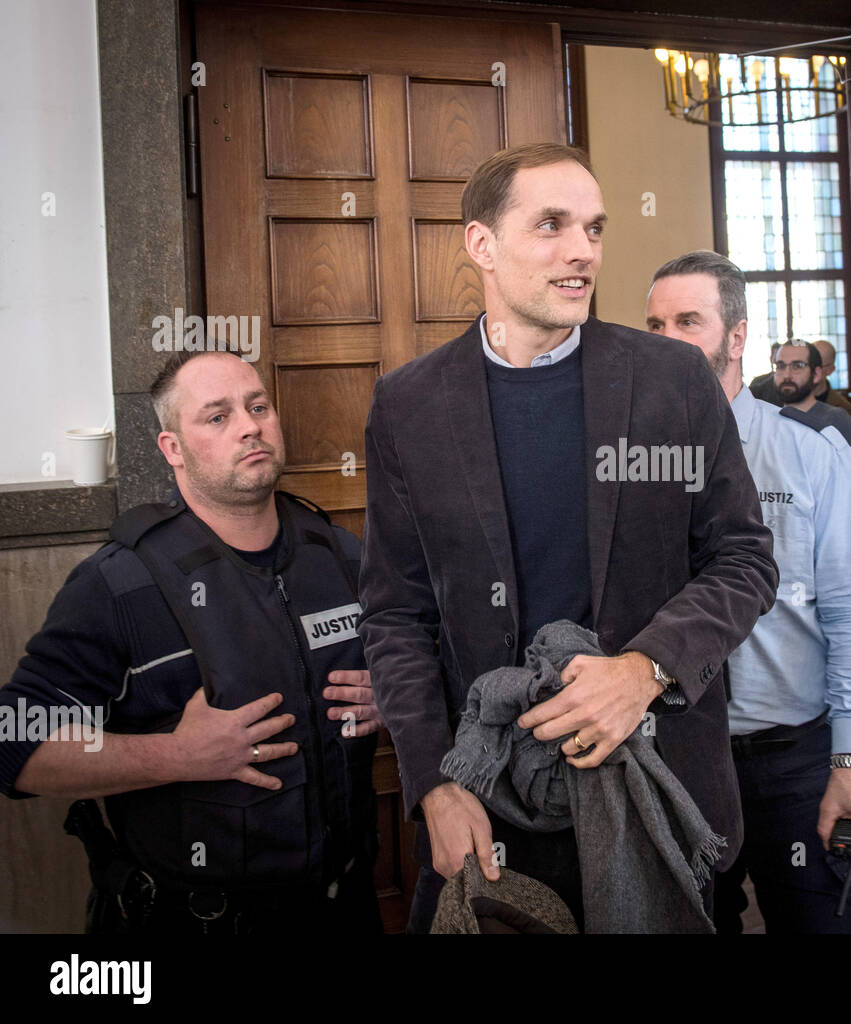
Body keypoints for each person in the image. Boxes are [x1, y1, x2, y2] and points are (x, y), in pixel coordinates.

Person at [358, 144, 778, 933]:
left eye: (593, 227)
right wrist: (432, 787)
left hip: (658, 787)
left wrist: (645, 668)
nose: (582, 249)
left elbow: (745, 559)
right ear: (482, 244)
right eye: (551, 225)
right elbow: (394, 614)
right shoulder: (409, 405)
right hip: (489, 802)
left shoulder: (672, 380)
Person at [0, 350, 384, 934]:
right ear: (172, 449)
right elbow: (15, 743)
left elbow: (425, 673)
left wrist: (392, 698)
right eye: (217, 416)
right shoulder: (118, 585)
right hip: (200, 918)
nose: (251, 425)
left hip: (344, 905)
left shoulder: (340, 556)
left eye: (258, 407)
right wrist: (178, 757)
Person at [646, 250, 851, 934]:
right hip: (678, 758)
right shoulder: (629, 463)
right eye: (655, 324)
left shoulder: (813, 456)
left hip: (796, 762)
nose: (666, 340)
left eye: (687, 321)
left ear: (735, 337)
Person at [773, 340, 851, 460]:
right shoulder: (769, 419)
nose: (787, 375)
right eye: (781, 366)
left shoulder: (836, 420)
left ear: (816, 374)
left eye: (797, 366)